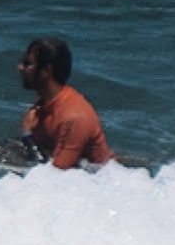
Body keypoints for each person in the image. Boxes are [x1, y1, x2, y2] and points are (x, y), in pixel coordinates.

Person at [15, 35, 114, 169]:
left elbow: (55, 175)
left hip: (100, 182)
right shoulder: (46, 101)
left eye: (27, 64)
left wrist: (27, 134)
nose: (20, 67)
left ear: (46, 71)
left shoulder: (72, 116)